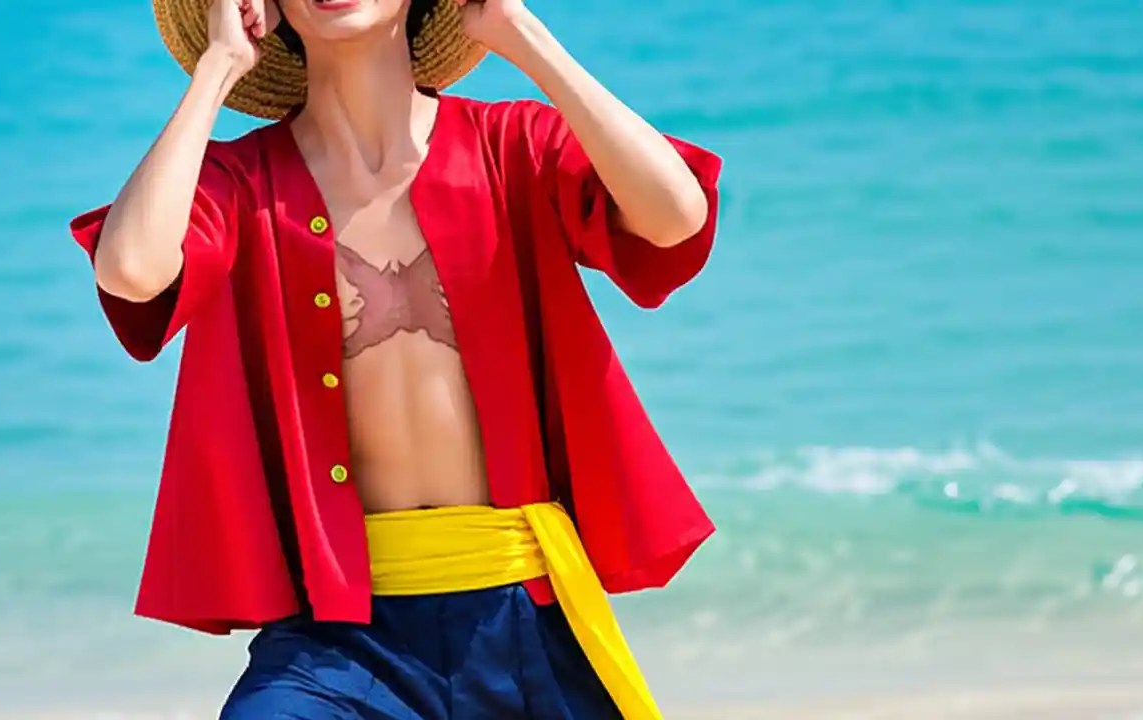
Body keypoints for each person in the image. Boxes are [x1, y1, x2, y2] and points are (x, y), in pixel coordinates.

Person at [69, 0, 722, 717]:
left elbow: (674, 216)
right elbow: (131, 268)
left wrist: (520, 35)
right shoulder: (241, 184)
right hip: (336, 636)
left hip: (525, 618)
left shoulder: (509, 144)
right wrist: (217, 67)